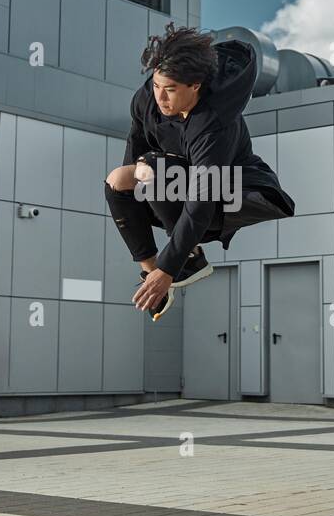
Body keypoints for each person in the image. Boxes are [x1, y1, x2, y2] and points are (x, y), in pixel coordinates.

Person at [104, 24, 296, 320]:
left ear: (195, 85)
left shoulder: (213, 122)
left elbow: (203, 196)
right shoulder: (146, 100)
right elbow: (136, 149)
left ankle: (186, 260)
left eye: (170, 90)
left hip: (227, 195)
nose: (160, 98)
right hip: (176, 188)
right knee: (120, 179)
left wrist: (172, 264)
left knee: (152, 170)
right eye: (156, 86)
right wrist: (133, 200)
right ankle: (154, 278)